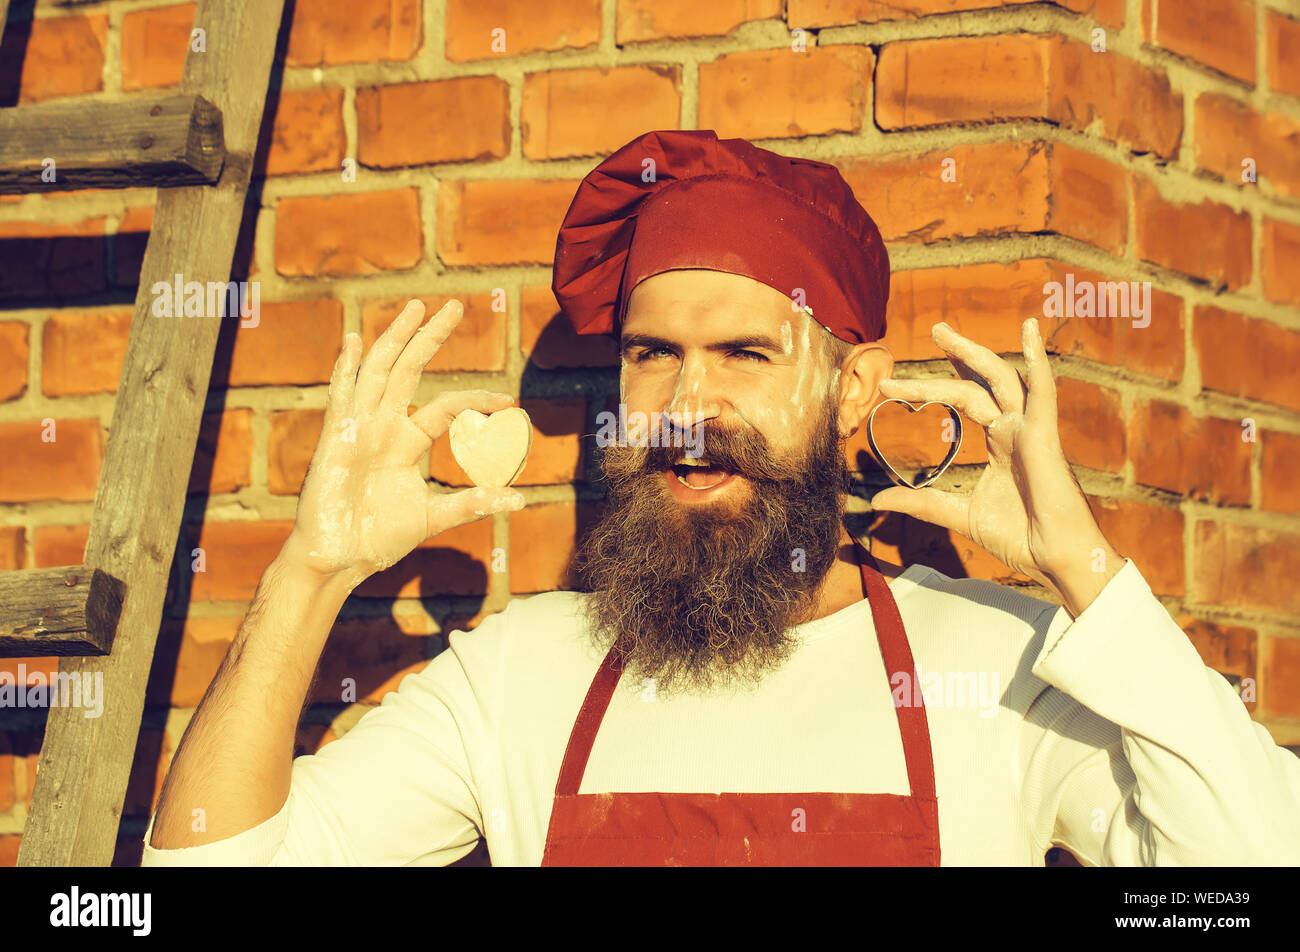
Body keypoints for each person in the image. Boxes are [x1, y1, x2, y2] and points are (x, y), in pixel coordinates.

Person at [142, 129, 1300, 866]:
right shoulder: (519, 671)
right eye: (652, 354)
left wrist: (1083, 576)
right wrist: (309, 575)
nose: (685, 402)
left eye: (745, 354)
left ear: (853, 391)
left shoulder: (990, 662)